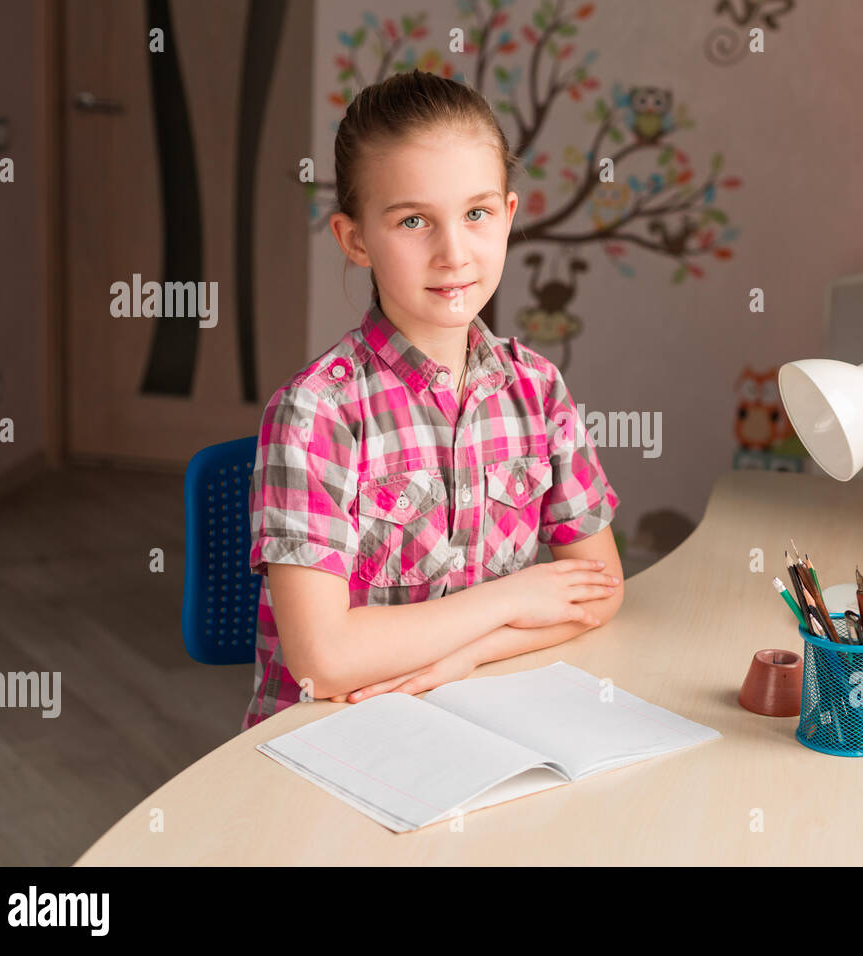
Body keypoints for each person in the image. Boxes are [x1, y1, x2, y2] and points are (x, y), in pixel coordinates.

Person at [241, 70, 622, 730]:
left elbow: (599, 591)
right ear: (356, 240)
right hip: (331, 736)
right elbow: (322, 663)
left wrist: (467, 656)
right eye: (414, 221)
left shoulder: (538, 389)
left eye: (476, 214)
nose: (453, 253)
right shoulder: (316, 412)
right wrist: (514, 598)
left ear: (507, 217)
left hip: (481, 714)